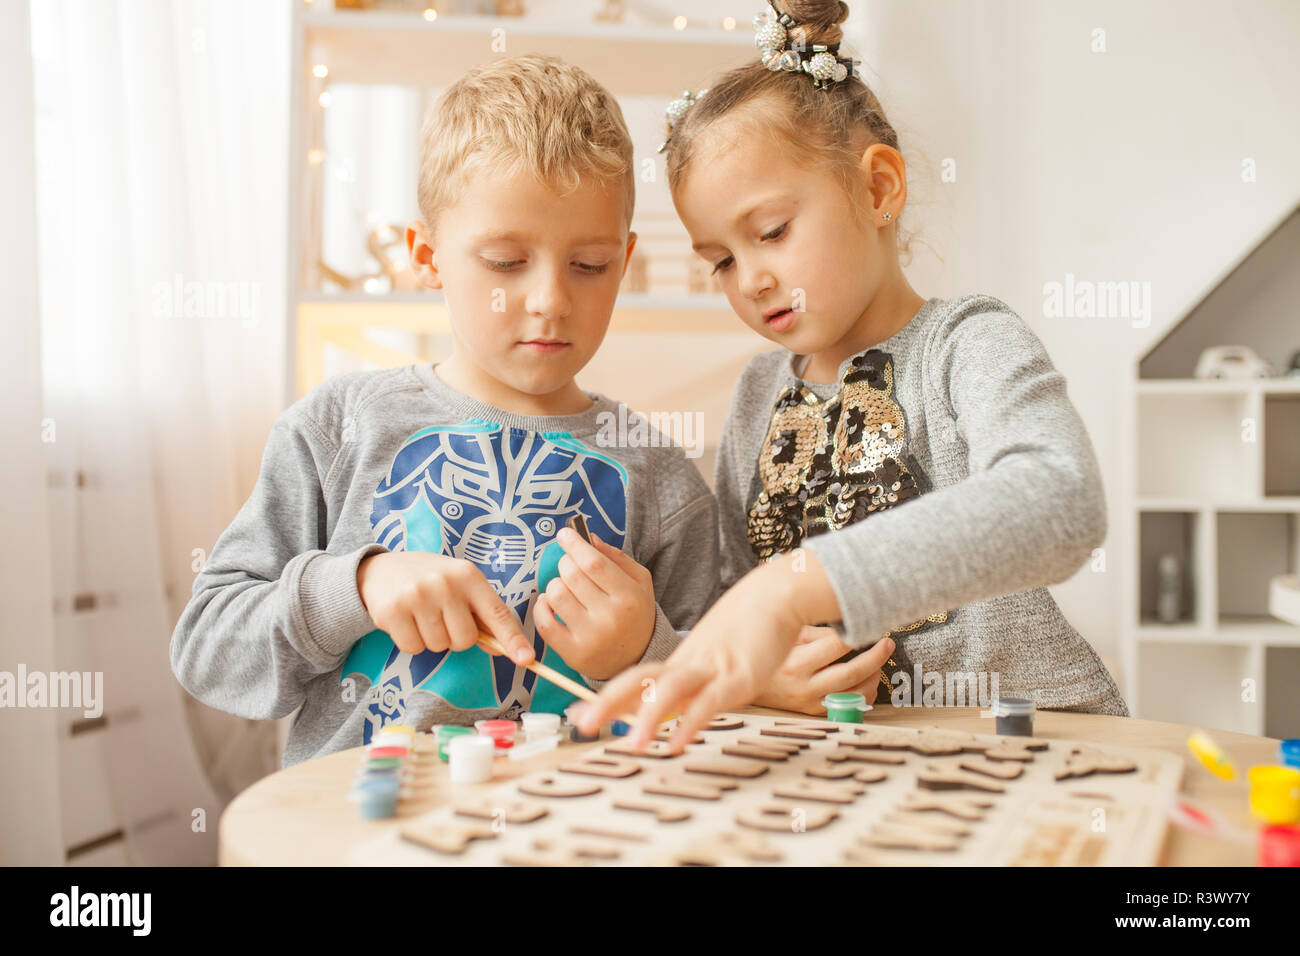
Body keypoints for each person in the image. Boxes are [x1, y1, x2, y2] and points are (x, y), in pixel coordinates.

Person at [575, 0, 1128, 750]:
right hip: (862, 763)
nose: (752, 279)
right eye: (722, 261)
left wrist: (793, 584)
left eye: (771, 232)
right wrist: (780, 672)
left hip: (1032, 745)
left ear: (877, 190)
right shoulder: (756, 396)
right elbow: (746, 607)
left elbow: (1061, 503)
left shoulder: (966, 343)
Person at [170, 54, 719, 765]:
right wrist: (357, 585)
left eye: (589, 265)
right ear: (426, 255)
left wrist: (645, 650)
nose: (551, 299)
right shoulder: (337, 429)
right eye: (504, 261)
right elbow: (209, 651)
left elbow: (717, 705)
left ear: (626, 257)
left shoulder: (662, 478)